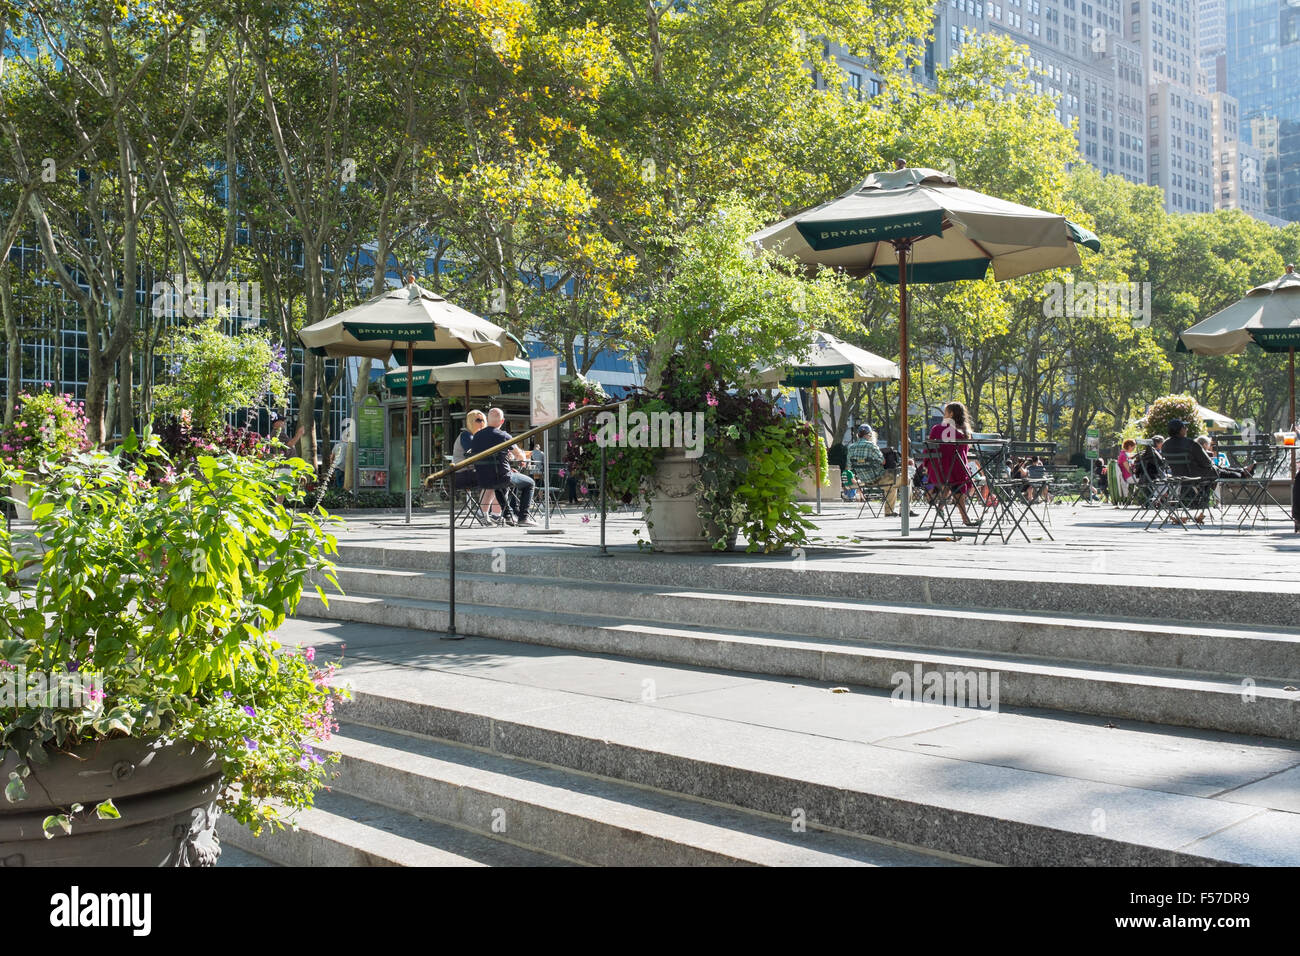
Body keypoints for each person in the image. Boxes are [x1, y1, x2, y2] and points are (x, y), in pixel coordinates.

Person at [469, 407, 536, 527]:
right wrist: (518, 455)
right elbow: (520, 456)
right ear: (502, 421)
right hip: (502, 477)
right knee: (530, 483)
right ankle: (523, 518)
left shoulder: (476, 437)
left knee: (500, 485)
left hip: (482, 479)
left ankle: (508, 515)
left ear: (487, 420)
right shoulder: (503, 436)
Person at [925, 402, 977, 525]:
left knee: (949, 482)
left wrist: (927, 466)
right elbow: (963, 454)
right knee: (957, 481)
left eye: (946, 412)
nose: (944, 415)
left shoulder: (937, 429)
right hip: (955, 470)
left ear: (951, 414)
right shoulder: (964, 432)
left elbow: (928, 450)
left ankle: (940, 507)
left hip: (937, 470)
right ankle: (965, 519)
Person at [846, 424, 903, 517]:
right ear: (868, 435)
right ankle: (904, 510)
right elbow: (883, 461)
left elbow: (849, 466)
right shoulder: (872, 446)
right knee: (906, 479)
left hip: (864, 481)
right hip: (878, 479)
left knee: (891, 486)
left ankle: (889, 512)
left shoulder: (851, 447)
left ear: (858, 435)